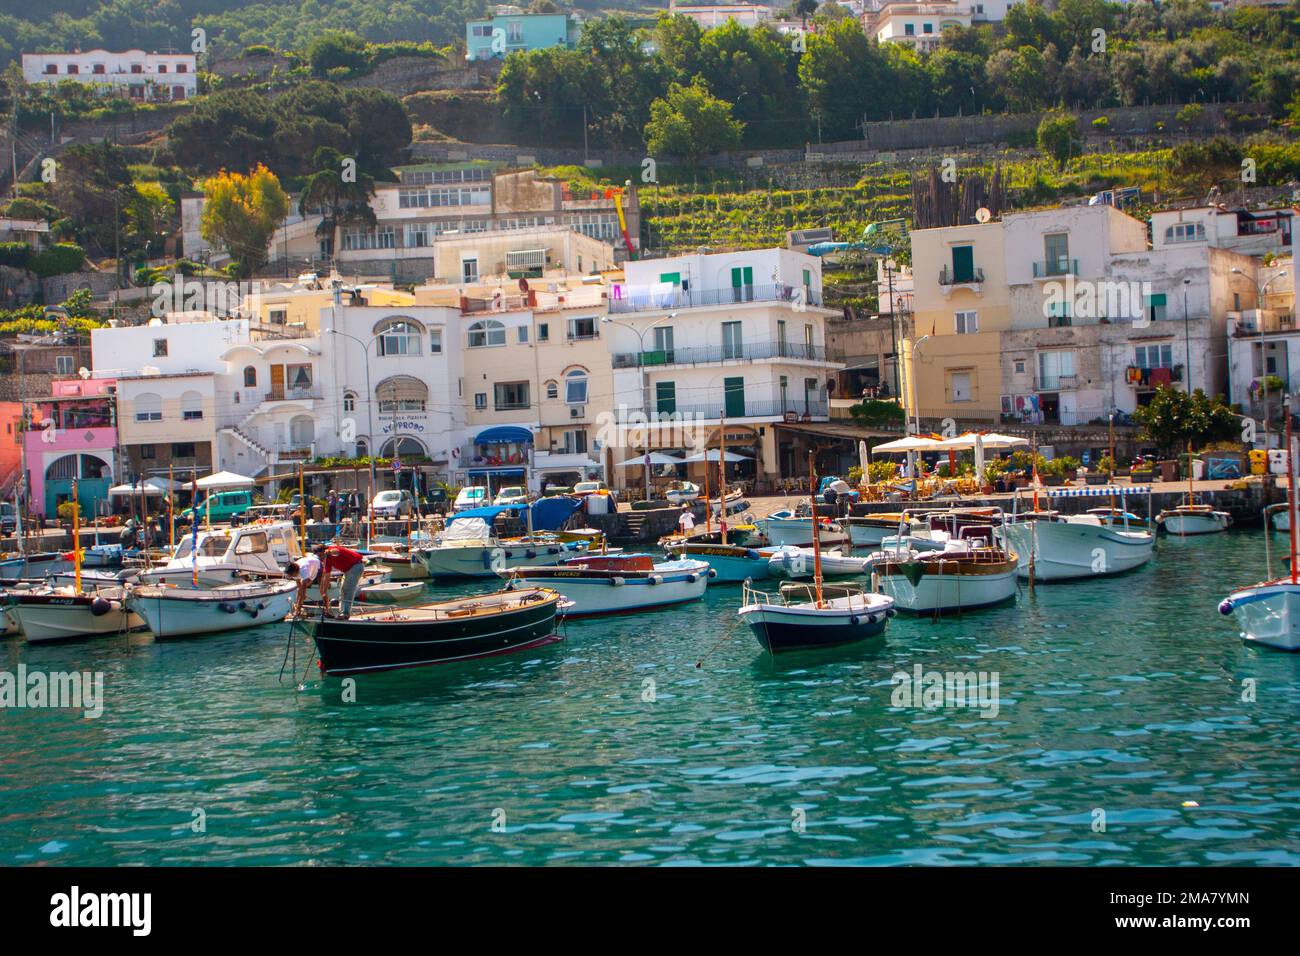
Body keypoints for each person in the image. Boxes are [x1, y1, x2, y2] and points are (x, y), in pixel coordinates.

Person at [316, 543, 366, 618]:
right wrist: (324, 592)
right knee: (342, 590)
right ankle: (342, 612)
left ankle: (345, 614)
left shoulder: (331, 550)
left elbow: (336, 552)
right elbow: (326, 576)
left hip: (355, 566)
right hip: (348, 570)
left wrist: (329, 552)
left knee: (347, 590)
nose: (320, 558)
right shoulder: (327, 560)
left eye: (320, 555)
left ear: (324, 551)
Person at [286, 550, 322, 615]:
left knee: (307, 587)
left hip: (317, 564)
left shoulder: (304, 569)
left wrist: (302, 596)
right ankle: (297, 607)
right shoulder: (293, 570)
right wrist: (301, 594)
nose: (291, 576)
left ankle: (298, 608)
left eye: (292, 575)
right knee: (300, 590)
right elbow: (298, 584)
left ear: (296, 571)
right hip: (308, 562)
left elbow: (303, 588)